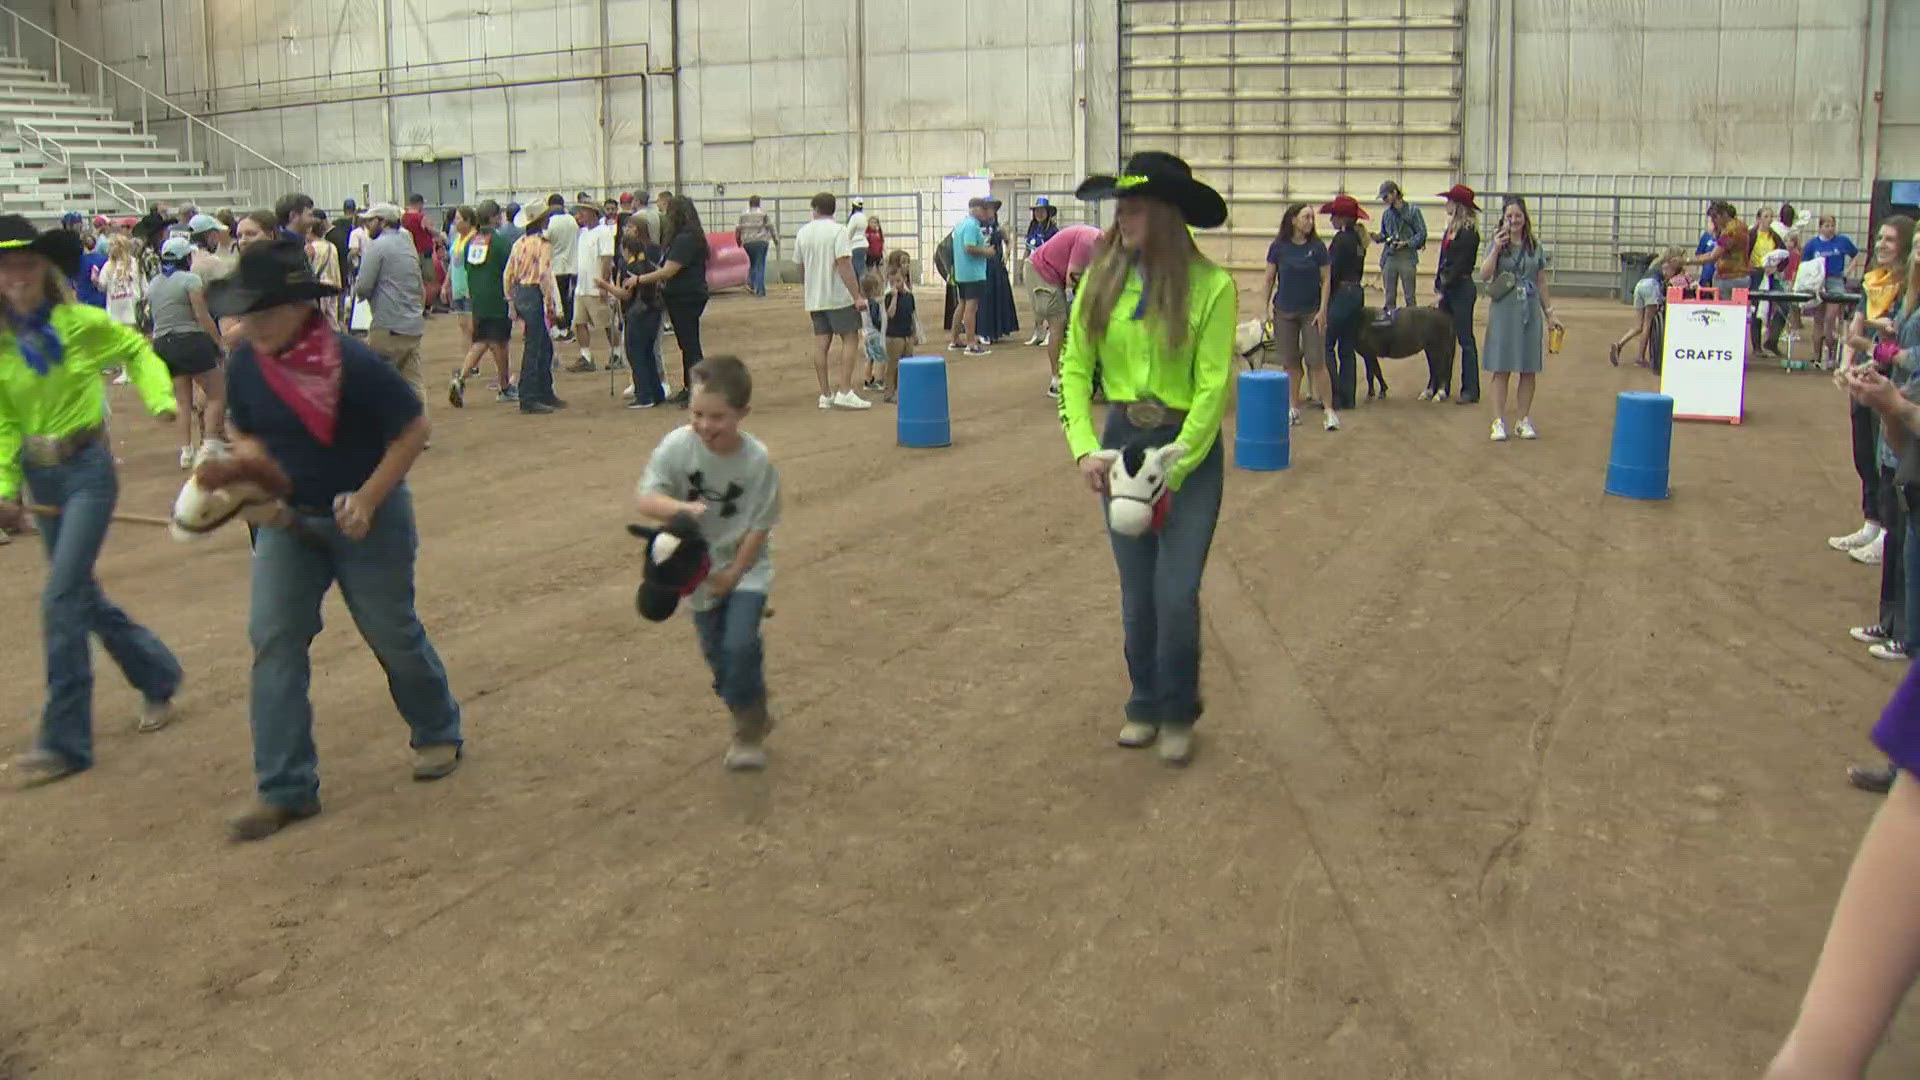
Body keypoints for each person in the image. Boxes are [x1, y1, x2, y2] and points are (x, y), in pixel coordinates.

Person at [205, 238, 459, 840]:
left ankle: (437, 729)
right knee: (274, 641)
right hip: (288, 523)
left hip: (368, 516)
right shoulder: (245, 362)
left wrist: (368, 499)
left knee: (392, 633)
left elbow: (413, 429)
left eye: (264, 310)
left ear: (299, 307)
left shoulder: (354, 363)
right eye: (248, 310)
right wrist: (252, 487)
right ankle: (285, 788)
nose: (251, 322)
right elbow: (247, 432)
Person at [1059, 151, 1233, 767]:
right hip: (1120, 441)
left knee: (1176, 590)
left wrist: (1175, 467)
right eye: (1120, 204)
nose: (1122, 214)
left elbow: (1214, 387)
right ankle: (1143, 701)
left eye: (1134, 204)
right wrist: (1085, 447)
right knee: (1137, 591)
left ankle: (1179, 707)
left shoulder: (1213, 287)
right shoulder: (1100, 281)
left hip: (1188, 447)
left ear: (1167, 212)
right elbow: (1075, 369)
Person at [0, 215, 184, 787]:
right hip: (41, 477)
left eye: (26, 264)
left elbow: (137, 347)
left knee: (60, 597)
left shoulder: (78, 323)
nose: (16, 277)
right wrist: (5, 489)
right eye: (5, 267)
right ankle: (157, 675)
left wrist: (158, 399)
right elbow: (4, 421)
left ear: (46, 270)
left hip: (88, 472)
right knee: (79, 594)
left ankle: (65, 743)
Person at [633, 355, 783, 770]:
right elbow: (645, 499)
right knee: (718, 657)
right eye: (697, 413)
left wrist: (734, 575)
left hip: (745, 568)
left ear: (743, 413)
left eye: (718, 417)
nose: (705, 425)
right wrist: (681, 510)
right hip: (695, 574)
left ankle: (748, 729)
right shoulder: (677, 446)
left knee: (738, 644)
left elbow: (759, 527)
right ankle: (751, 705)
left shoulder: (758, 462)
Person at [1480, 195, 1559, 442]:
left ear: (1525, 219)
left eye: (1518, 216)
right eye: (1509, 216)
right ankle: (1497, 422)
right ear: (1503, 219)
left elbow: (1541, 280)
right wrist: (1495, 249)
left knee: (1528, 368)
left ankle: (1523, 420)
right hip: (1504, 310)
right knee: (1501, 367)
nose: (1513, 220)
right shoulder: (1496, 244)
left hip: (1529, 312)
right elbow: (1484, 275)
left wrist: (1549, 313)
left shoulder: (1535, 246)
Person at [148, 235, 230, 469]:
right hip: (190, 340)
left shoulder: (154, 283)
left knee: (183, 401)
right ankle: (211, 444)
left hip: (163, 343)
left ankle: (186, 451)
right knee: (217, 393)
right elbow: (201, 315)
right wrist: (219, 341)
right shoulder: (190, 280)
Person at [794, 192, 872, 410]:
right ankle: (845, 390)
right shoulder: (838, 231)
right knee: (850, 338)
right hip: (838, 296)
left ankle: (825, 394)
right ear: (834, 209)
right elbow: (844, 264)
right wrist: (856, 295)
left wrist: (808, 287)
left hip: (815, 297)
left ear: (814, 208)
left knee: (821, 343)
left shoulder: (803, 233)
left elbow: (799, 266)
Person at [630, 195, 710, 409]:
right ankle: (690, 387)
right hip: (686, 295)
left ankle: (697, 390)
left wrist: (639, 279)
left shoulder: (685, 238)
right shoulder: (689, 236)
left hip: (685, 296)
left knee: (690, 345)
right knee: (687, 344)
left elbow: (669, 270)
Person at [349, 202, 429, 412]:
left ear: (382, 222)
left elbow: (364, 285)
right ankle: (421, 433)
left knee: (378, 383)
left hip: (388, 325)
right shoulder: (407, 243)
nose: (366, 225)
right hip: (412, 324)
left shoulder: (378, 246)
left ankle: (387, 435)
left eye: (370, 220)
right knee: (413, 383)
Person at [1262, 202, 1330, 426]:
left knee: (1317, 361)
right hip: (1284, 311)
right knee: (1290, 363)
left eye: (1311, 218)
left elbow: (1326, 280)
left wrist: (1323, 311)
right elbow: (1269, 279)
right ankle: (1293, 406)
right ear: (1293, 220)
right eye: (1306, 217)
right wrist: (1264, 309)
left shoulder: (1318, 248)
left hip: (1311, 311)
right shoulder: (1278, 247)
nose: (1310, 222)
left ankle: (1329, 409)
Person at [450, 199, 516, 407]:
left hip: (477, 300)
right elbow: (510, 271)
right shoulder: (501, 243)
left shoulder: (472, 242)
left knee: (482, 341)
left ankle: (462, 378)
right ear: (494, 217)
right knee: (500, 343)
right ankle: (503, 387)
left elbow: (468, 270)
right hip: (497, 299)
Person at [1029, 222, 1102, 399]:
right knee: (1059, 324)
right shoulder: (1088, 241)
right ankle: (1057, 381)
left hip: (1056, 275)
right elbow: (1072, 277)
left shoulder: (1100, 244)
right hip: (1043, 273)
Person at [599, 231, 668, 409]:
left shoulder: (629, 268)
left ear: (626, 249)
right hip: (654, 314)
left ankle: (644, 395)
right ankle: (656, 392)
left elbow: (625, 294)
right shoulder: (650, 265)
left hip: (638, 315)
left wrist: (606, 286)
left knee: (636, 354)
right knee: (648, 353)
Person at [505, 208, 564, 414]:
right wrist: (550, 304)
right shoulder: (543, 244)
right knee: (535, 346)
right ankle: (530, 396)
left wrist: (511, 301)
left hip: (522, 292)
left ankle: (543, 392)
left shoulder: (519, 244)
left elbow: (508, 274)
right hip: (534, 293)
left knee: (541, 344)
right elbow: (544, 275)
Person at [1320, 193, 1369, 425]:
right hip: (1356, 292)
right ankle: (1348, 396)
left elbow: (1333, 271)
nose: (1331, 219)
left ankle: (1334, 394)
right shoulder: (1358, 240)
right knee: (1347, 348)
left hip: (1342, 293)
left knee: (1327, 343)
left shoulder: (1341, 241)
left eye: (1333, 215)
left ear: (1341, 218)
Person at [1432, 184, 1482, 403]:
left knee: (1465, 339)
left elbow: (1460, 265)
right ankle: (1442, 384)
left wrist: (1443, 288)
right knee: (1443, 338)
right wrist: (1438, 282)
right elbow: (1444, 259)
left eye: (1450, 200)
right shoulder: (1451, 229)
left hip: (1460, 288)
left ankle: (1470, 388)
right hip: (1449, 286)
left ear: (1458, 205)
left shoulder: (1469, 234)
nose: (1447, 203)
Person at [1612, 249, 1686, 369]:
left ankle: (1619, 344)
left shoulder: (1656, 263)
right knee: (1648, 324)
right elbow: (1670, 279)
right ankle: (1640, 358)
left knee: (1639, 326)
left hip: (1640, 285)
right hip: (1651, 286)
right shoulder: (1669, 264)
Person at [566, 203, 617, 372]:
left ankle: (616, 353)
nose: (580, 215)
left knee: (607, 322)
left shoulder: (604, 232)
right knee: (579, 322)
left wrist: (604, 284)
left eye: (583, 211)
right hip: (582, 288)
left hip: (596, 287)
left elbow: (607, 259)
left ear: (593, 214)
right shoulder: (583, 233)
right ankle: (586, 356)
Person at [1373, 180, 1427, 314]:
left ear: (1394, 193)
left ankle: (1412, 323)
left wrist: (1407, 243)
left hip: (1407, 256)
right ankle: (1390, 323)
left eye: (1386, 196)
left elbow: (1422, 233)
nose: (1384, 200)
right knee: (1389, 297)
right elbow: (1385, 234)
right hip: (1390, 256)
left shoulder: (1413, 211)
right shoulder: (1386, 214)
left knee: (1410, 296)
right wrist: (1376, 237)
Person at [949, 198, 993, 355]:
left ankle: (955, 340)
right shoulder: (972, 226)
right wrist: (986, 252)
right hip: (973, 273)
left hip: (962, 272)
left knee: (961, 305)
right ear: (974, 209)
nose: (986, 212)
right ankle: (971, 343)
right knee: (971, 308)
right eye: (983, 208)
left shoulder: (961, 224)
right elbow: (969, 247)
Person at [976, 202, 1022, 345]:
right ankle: (983, 331)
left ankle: (996, 330)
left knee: (997, 297)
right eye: (987, 208)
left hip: (997, 266)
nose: (990, 212)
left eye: (992, 209)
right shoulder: (977, 227)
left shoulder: (999, 227)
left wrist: (1007, 254)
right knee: (984, 299)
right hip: (982, 265)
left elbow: (1009, 241)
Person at [1023, 199, 1062, 348]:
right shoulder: (1032, 229)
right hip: (1032, 268)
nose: (1038, 214)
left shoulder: (1053, 231)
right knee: (1035, 303)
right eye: (1036, 211)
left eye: (1042, 211)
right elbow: (1027, 248)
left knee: (1047, 302)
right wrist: (1023, 264)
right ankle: (1038, 332)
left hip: (1046, 268)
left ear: (1048, 213)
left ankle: (1049, 332)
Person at [542, 193, 580, 340]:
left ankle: (558, 328)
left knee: (556, 300)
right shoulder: (572, 220)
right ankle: (566, 328)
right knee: (568, 299)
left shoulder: (550, 223)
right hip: (572, 266)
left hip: (555, 267)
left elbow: (545, 241)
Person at [880, 248, 916, 402]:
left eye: (899, 281)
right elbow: (890, 314)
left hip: (906, 334)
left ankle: (904, 390)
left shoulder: (909, 296)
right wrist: (894, 297)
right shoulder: (889, 297)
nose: (896, 285)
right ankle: (889, 392)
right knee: (893, 365)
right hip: (894, 336)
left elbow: (912, 315)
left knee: (907, 364)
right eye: (893, 282)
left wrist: (914, 333)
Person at [736, 195, 775, 297]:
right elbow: (770, 226)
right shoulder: (763, 213)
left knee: (753, 263)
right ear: (759, 203)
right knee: (760, 264)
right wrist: (775, 239)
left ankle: (752, 284)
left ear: (749, 203)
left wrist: (738, 240)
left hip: (748, 242)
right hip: (761, 241)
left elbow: (738, 228)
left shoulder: (743, 214)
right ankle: (760, 290)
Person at [859, 269, 888, 392]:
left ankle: (867, 380)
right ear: (873, 290)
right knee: (881, 358)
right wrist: (883, 327)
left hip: (865, 334)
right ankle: (879, 380)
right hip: (875, 334)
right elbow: (876, 319)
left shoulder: (862, 304)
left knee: (869, 358)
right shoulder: (873, 304)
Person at [845, 197, 869, 280]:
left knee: (857, 270)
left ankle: (861, 289)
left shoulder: (854, 217)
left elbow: (849, 232)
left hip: (855, 245)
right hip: (864, 244)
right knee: (861, 268)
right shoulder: (864, 217)